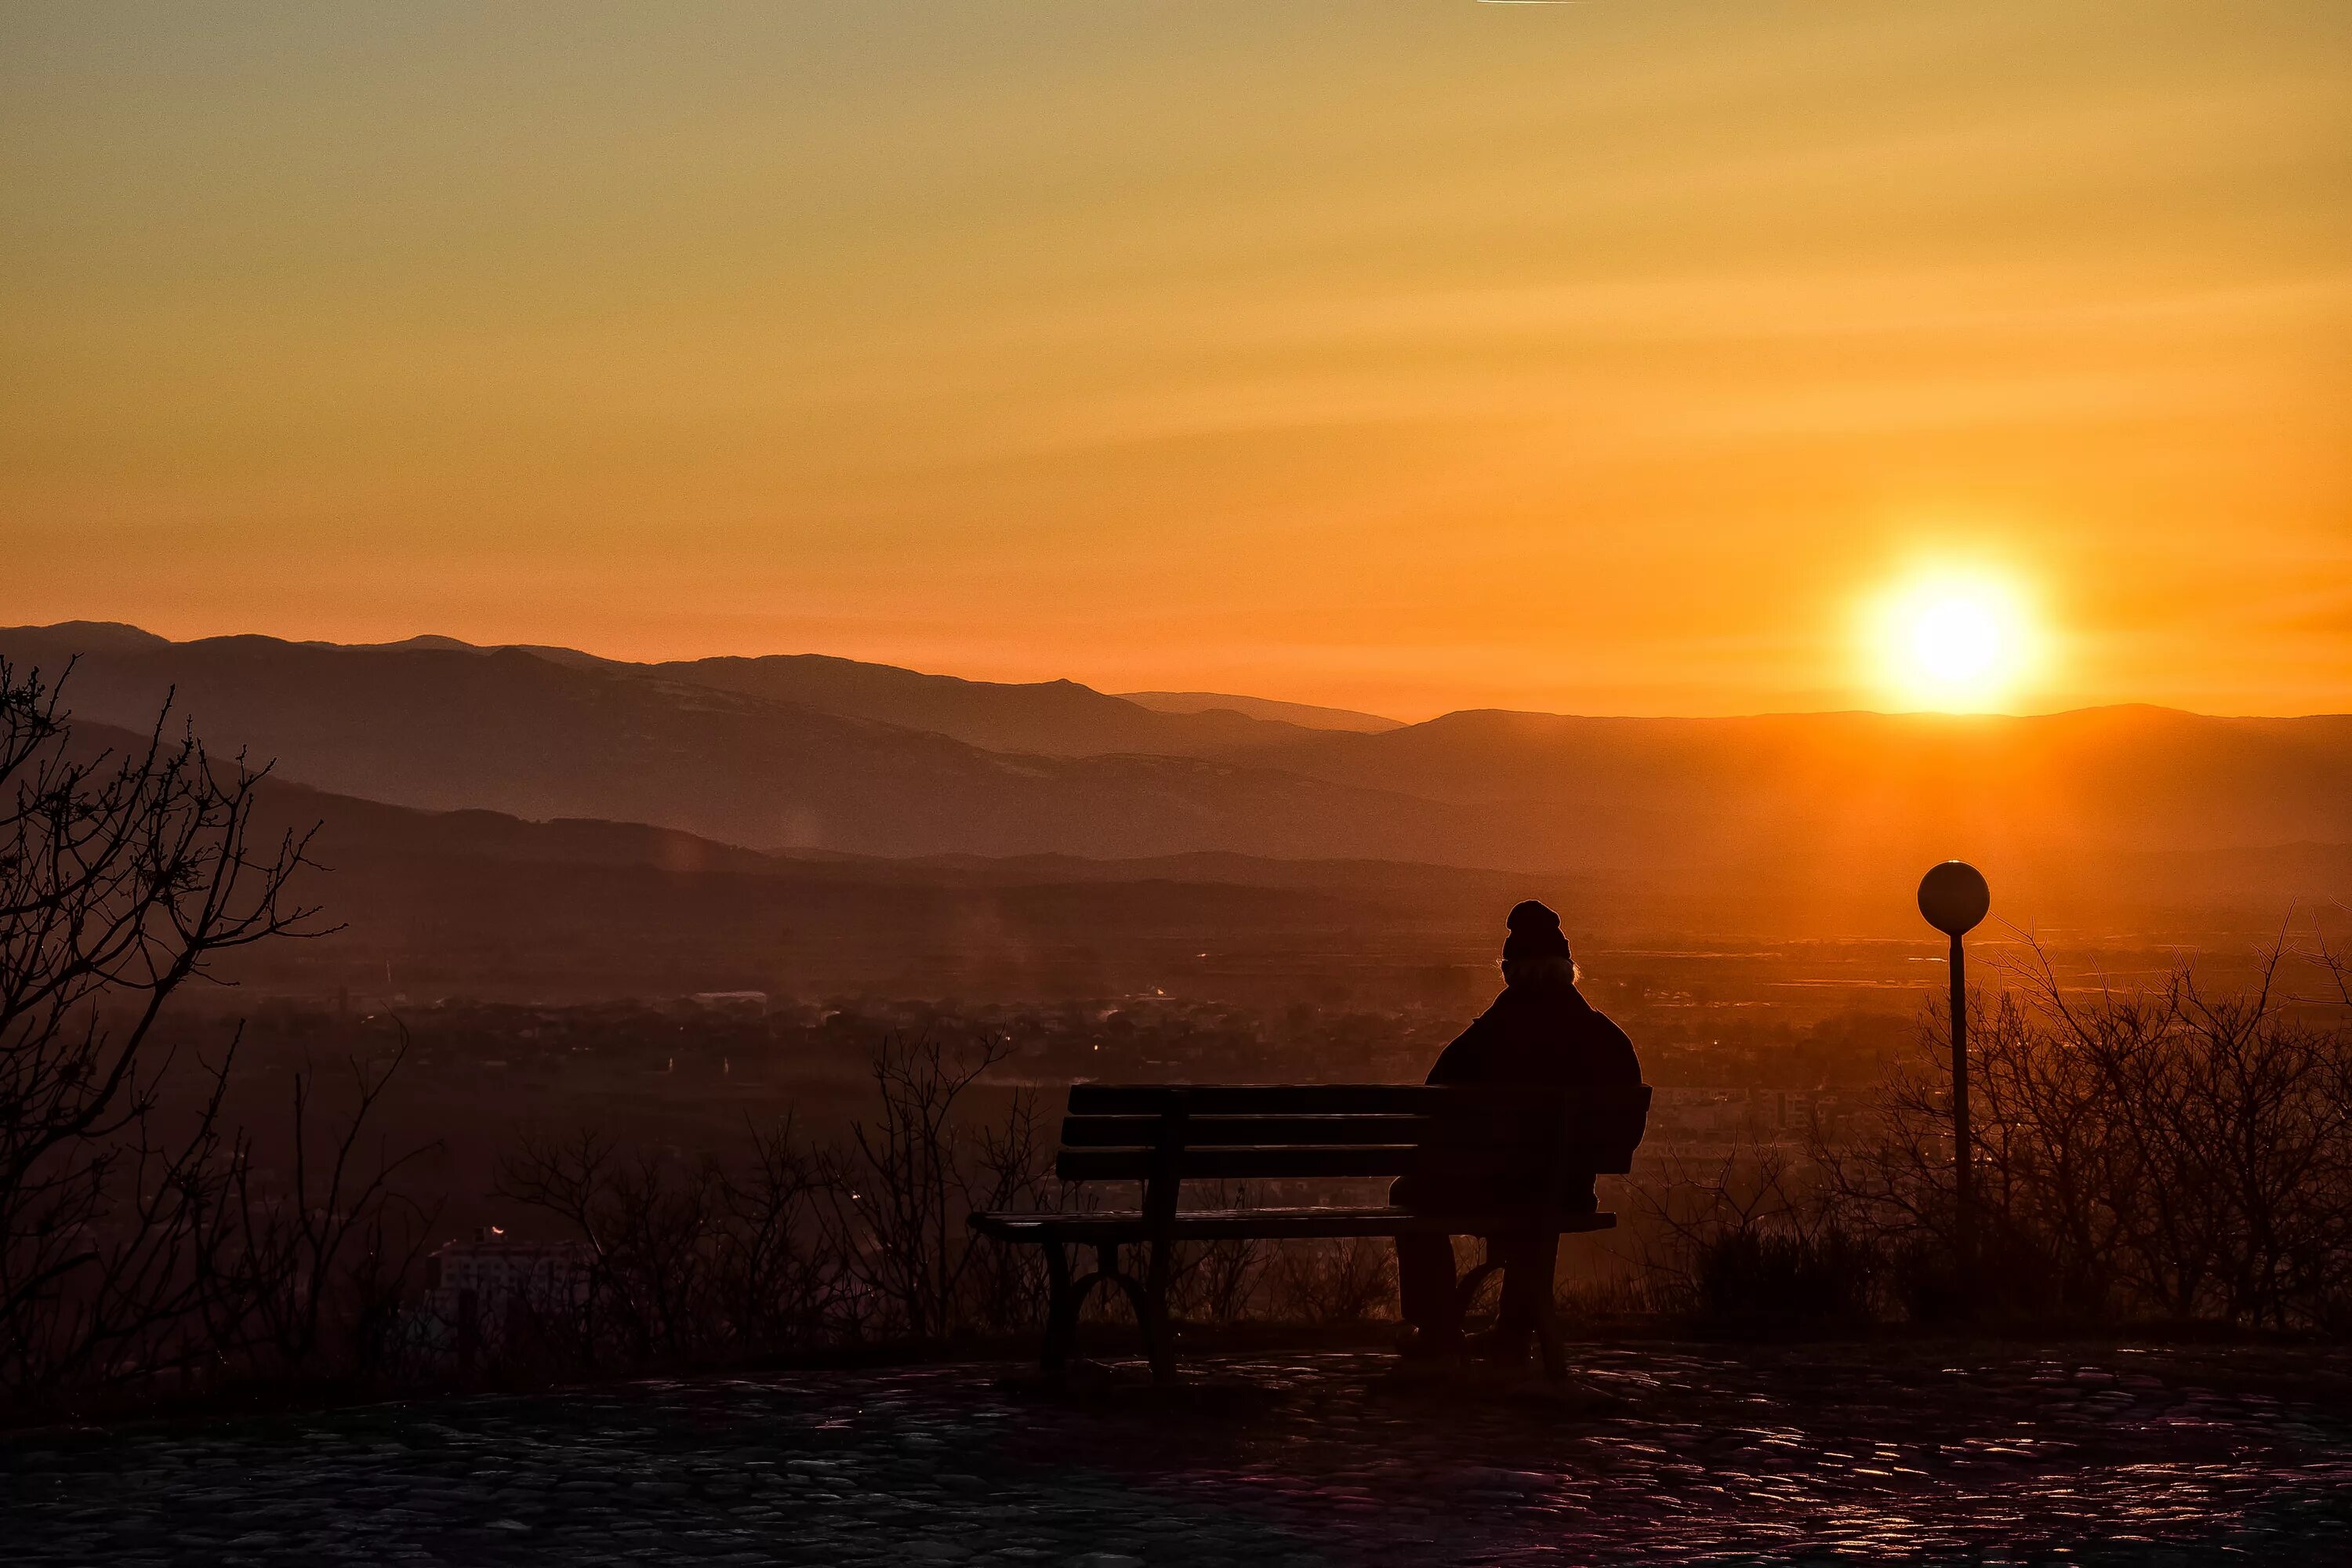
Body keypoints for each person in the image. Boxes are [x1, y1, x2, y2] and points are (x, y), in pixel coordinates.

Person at [1392, 899, 1642, 1361]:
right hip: (1566, 1191)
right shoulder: (1606, 1039)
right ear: (1568, 969)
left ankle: (1438, 1328)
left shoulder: (1484, 1040)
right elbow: (1626, 1131)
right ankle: (1514, 1331)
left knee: (1408, 1192)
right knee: (1538, 1200)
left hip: (1492, 1189)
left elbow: (1431, 1105)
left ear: (1509, 972)